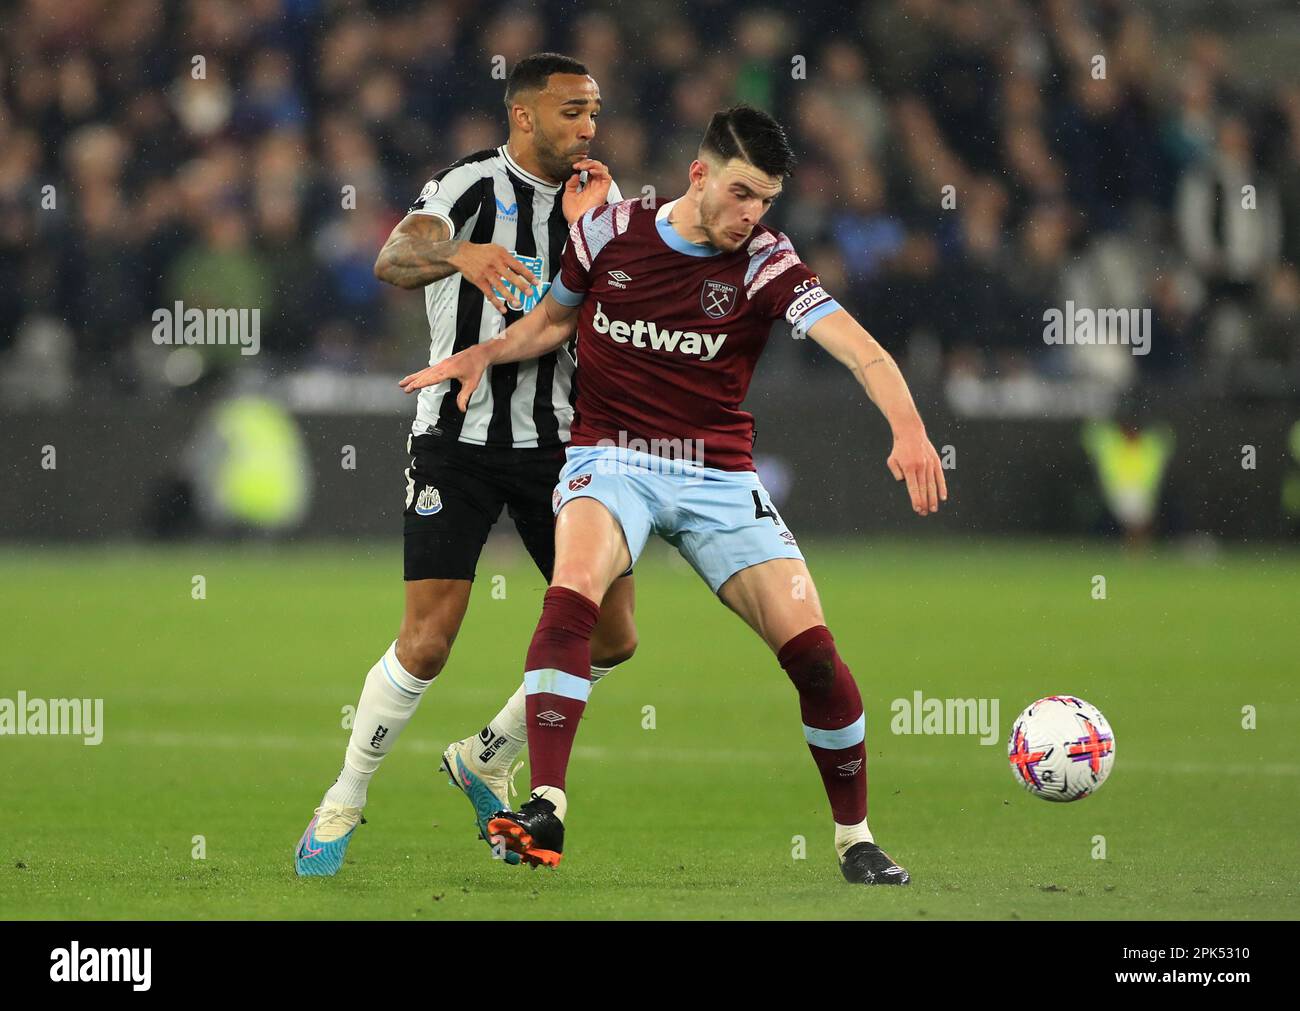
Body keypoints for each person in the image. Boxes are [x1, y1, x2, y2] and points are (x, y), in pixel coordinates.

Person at [398, 105, 948, 885]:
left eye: (766, 200)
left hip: (718, 472)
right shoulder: (606, 235)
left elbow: (862, 351)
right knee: (573, 592)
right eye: (741, 193)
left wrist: (910, 429)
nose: (751, 214)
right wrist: (484, 352)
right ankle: (545, 804)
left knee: (817, 658)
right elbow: (554, 321)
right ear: (699, 175)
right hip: (611, 455)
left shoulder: (765, 260)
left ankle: (855, 838)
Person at [295, 53, 637, 877]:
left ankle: (485, 754)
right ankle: (343, 797)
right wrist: (462, 256)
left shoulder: (604, 199)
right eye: (570, 112)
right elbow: (390, 261)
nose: (587, 127)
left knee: (614, 637)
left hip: (562, 444)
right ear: (524, 116)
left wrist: (606, 232)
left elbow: (623, 307)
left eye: (593, 111)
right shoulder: (465, 187)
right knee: (428, 641)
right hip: (457, 439)